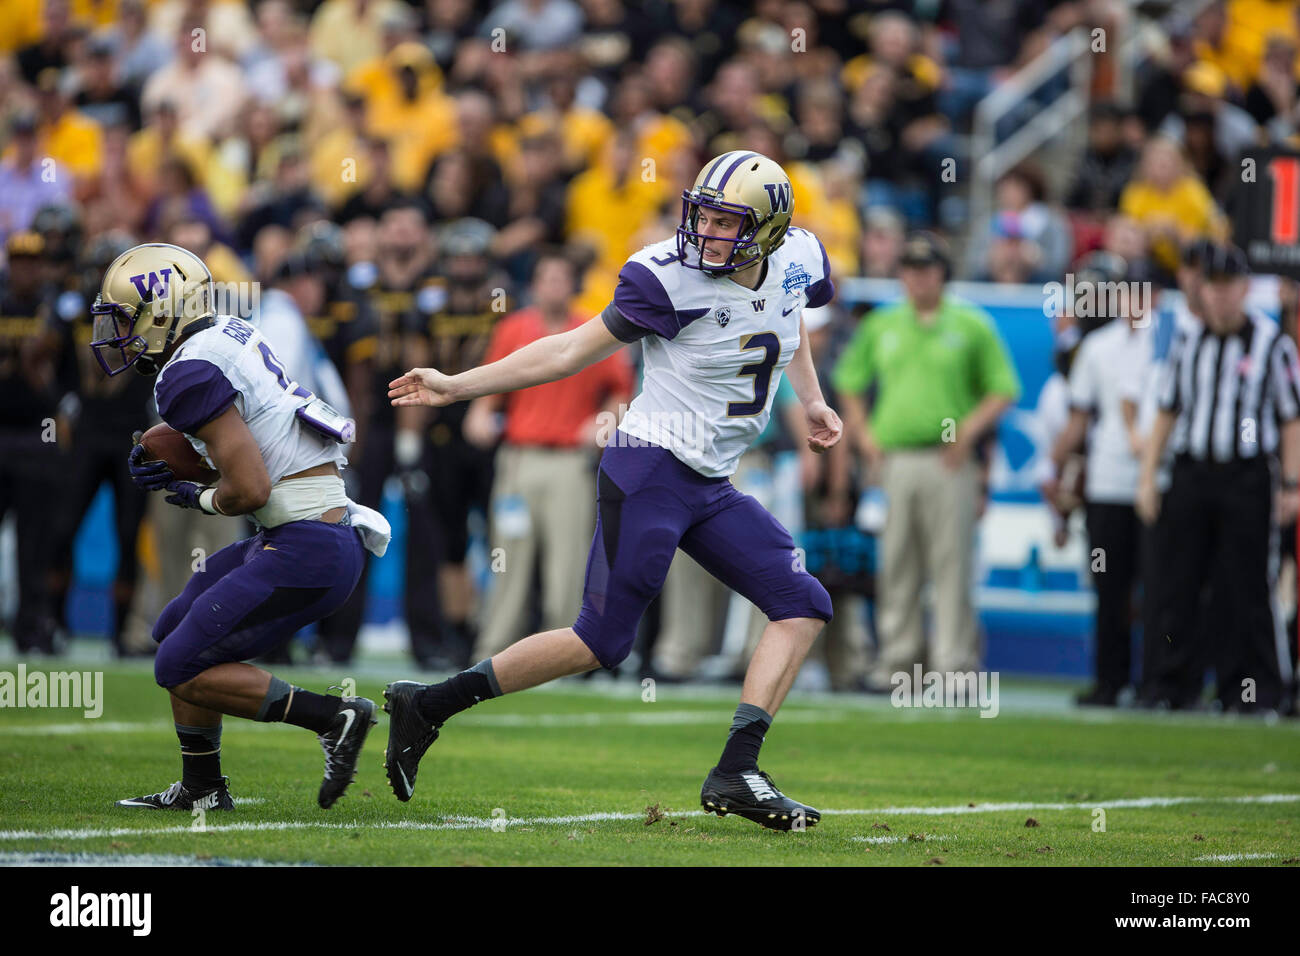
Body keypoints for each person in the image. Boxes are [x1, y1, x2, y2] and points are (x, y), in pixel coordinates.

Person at [383, 151, 841, 830]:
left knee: (802, 603)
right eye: (704, 213)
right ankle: (428, 705)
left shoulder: (800, 258)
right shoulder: (668, 279)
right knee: (601, 640)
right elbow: (566, 351)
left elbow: (789, 314)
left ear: (769, 230)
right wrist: (458, 384)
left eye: (725, 220)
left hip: (712, 483)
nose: (706, 230)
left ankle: (736, 771)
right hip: (650, 469)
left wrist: (813, 400)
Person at [89, 242, 389, 810]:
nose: (121, 335)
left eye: (128, 319)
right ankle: (202, 789)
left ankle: (335, 716)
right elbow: (253, 442)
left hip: (306, 544)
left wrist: (194, 495)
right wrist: (187, 457)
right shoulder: (226, 330)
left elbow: (249, 488)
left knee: (177, 664)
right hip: (310, 533)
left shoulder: (187, 371)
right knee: (172, 628)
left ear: (163, 310)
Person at [833, 232, 1020, 686]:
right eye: (910, 269)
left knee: (951, 563)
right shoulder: (883, 324)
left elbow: (1002, 389)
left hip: (948, 459)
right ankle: (899, 663)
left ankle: (953, 666)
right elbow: (849, 381)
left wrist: (967, 434)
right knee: (897, 563)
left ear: (943, 274)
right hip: (894, 458)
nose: (918, 278)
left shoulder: (971, 324)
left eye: (927, 269)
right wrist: (865, 436)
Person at [1137, 243, 1300, 713]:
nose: (1221, 295)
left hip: (1246, 475)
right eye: (1213, 284)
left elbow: (1291, 418)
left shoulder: (1272, 342)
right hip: (1192, 471)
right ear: (1201, 289)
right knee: (1178, 582)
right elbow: (1167, 411)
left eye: (1229, 285)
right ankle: (1173, 685)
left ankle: (1254, 689)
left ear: (1245, 288)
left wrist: (1291, 483)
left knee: (1248, 584)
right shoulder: (1188, 341)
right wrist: (1148, 476)